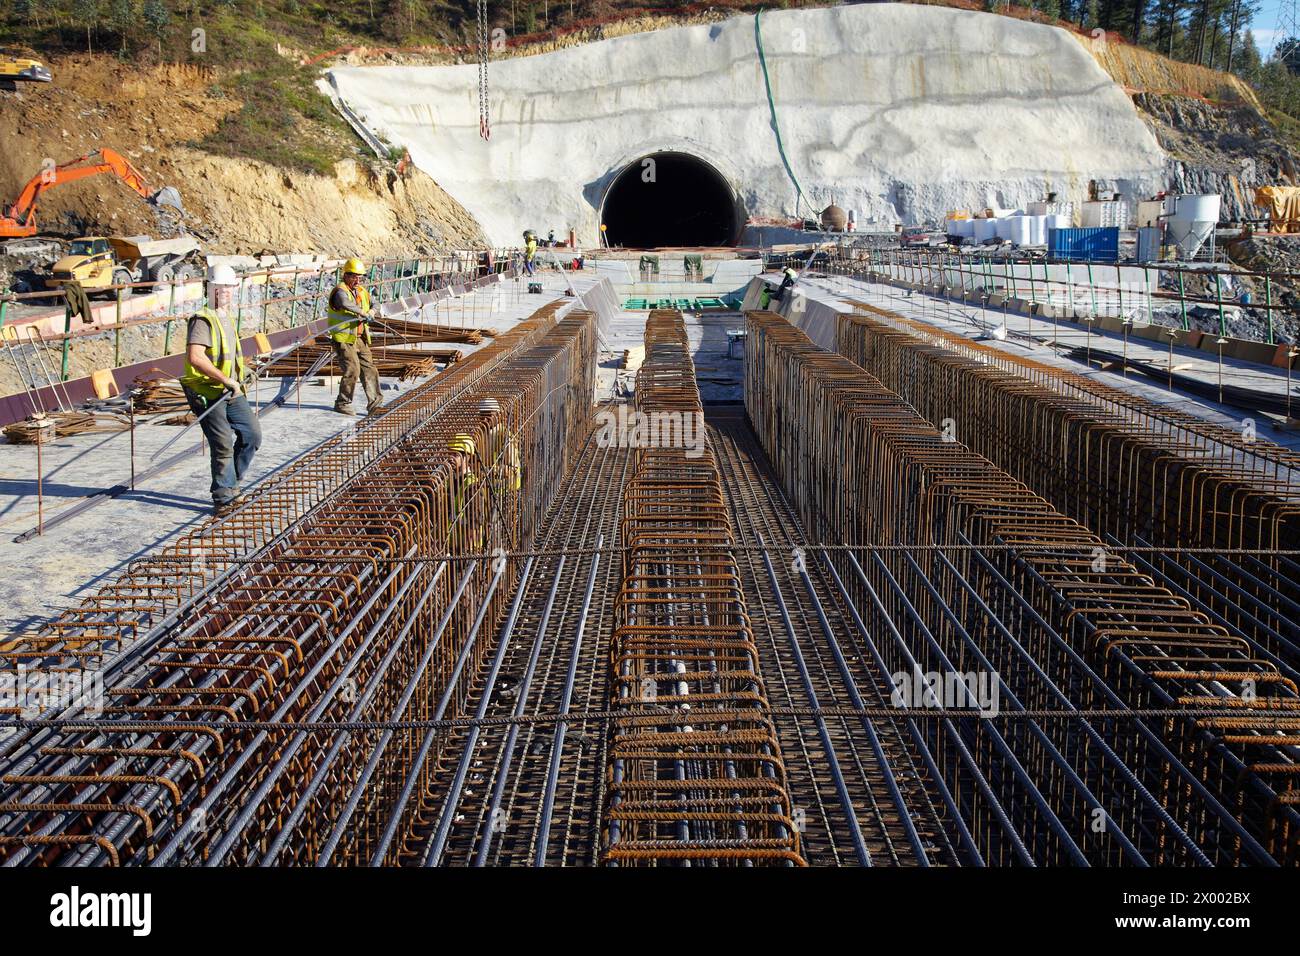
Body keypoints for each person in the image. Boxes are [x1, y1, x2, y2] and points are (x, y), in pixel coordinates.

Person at [179, 264, 262, 515]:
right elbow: (196, 357)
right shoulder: (202, 319)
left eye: (229, 287)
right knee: (223, 442)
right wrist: (225, 380)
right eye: (220, 287)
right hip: (207, 392)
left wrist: (242, 373)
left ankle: (232, 484)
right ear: (210, 288)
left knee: (252, 435)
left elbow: (227, 354)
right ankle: (223, 496)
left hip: (230, 391)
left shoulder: (226, 318)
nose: (225, 291)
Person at [327, 257, 384, 416]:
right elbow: (345, 303)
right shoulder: (340, 291)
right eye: (354, 276)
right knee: (353, 369)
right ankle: (342, 403)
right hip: (344, 339)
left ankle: (375, 405)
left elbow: (376, 304)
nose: (358, 280)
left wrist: (372, 311)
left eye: (360, 276)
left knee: (370, 369)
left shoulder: (362, 291)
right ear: (345, 275)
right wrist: (363, 313)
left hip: (360, 337)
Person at [475, 397, 521, 548]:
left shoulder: (504, 435)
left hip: (505, 492)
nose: (486, 419)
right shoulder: (481, 435)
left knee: (500, 534)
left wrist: (487, 470)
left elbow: (513, 469)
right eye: (483, 415)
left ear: (498, 415)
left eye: (489, 415)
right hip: (487, 492)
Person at [445, 433, 482, 553]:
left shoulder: (472, 485)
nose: (451, 458)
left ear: (468, 457)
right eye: (449, 453)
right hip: (452, 546)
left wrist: (465, 551)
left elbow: (475, 522)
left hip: (467, 550)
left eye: (455, 454)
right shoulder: (451, 480)